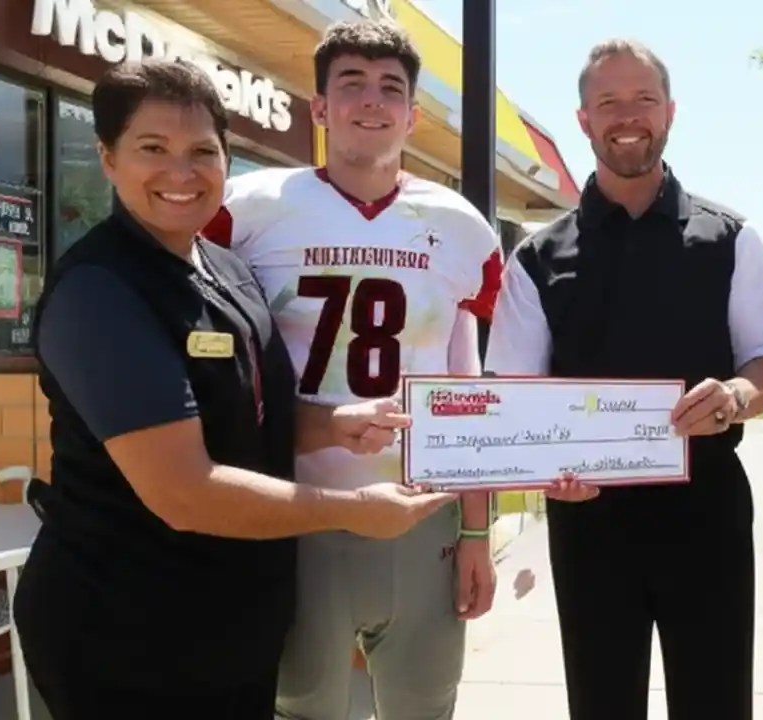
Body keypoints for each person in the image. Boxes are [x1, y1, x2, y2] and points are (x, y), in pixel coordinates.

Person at [15, 58, 454, 720]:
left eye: (202, 151)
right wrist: (350, 508)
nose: (181, 173)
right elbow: (185, 493)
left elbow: (251, 412)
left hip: (230, 630)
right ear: (107, 159)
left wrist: (333, 422)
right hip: (126, 637)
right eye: (151, 149)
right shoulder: (101, 294)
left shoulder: (223, 266)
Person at [201, 20, 534, 720]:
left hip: (421, 515)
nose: (372, 102)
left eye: (391, 88)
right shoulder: (249, 208)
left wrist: (477, 531)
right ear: (318, 106)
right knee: (300, 707)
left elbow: (464, 383)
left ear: (413, 113)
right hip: (292, 513)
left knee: (423, 705)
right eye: (351, 84)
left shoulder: (463, 224)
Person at [483, 39, 763, 720]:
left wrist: (740, 395)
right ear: (584, 120)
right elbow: (511, 394)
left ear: (671, 112)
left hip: (705, 510)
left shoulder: (730, 238)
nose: (628, 117)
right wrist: (543, 468)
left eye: (644, 100)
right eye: (609, 103)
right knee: (601, 704)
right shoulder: (537, 258)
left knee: (715, 704)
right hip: (588, 515)